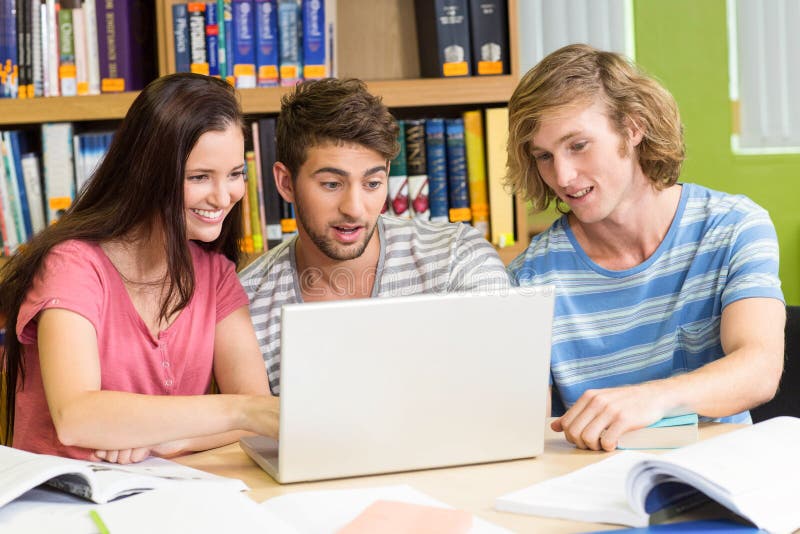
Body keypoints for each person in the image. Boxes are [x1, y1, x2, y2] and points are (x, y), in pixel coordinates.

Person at [505, 44, 785, 451]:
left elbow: (759, 368)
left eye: (578, 145)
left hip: (722, 479)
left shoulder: (733, 227)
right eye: (545, 156)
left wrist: (651, 398)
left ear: (633, 128)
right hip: (592, 489)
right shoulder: (530, 277)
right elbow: (523, 433)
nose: (562, 176)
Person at [0, 73, 278, 463]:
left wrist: (172, 440)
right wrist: (240, 410)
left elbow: (258, 412)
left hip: (162, 496)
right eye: (199, 177)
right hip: (63, 506)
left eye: (235, 174)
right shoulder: (73, 265)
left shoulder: (216, 275)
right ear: (148, 174)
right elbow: (77, 417)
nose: (223, 195)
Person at [239, 78, 510, 394]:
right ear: (286, 183)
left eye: (372, 184)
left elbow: (507, 396)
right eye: (331, 184)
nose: (355, 209)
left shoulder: (458, 258)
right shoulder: (246, 304)